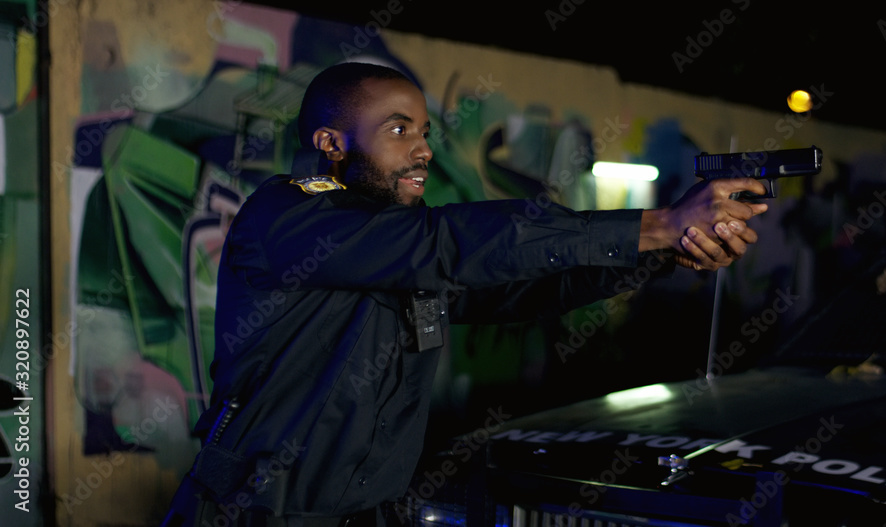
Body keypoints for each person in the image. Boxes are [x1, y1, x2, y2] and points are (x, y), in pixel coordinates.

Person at [162, 62, 768, 527]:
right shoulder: (289, 214)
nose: (423, 149)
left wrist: (661, 250)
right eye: (398, 130)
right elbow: (453, 243)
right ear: (331, 143)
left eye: (424, 131)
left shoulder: (395, 246)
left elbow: (513, 292)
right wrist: (654, 222)